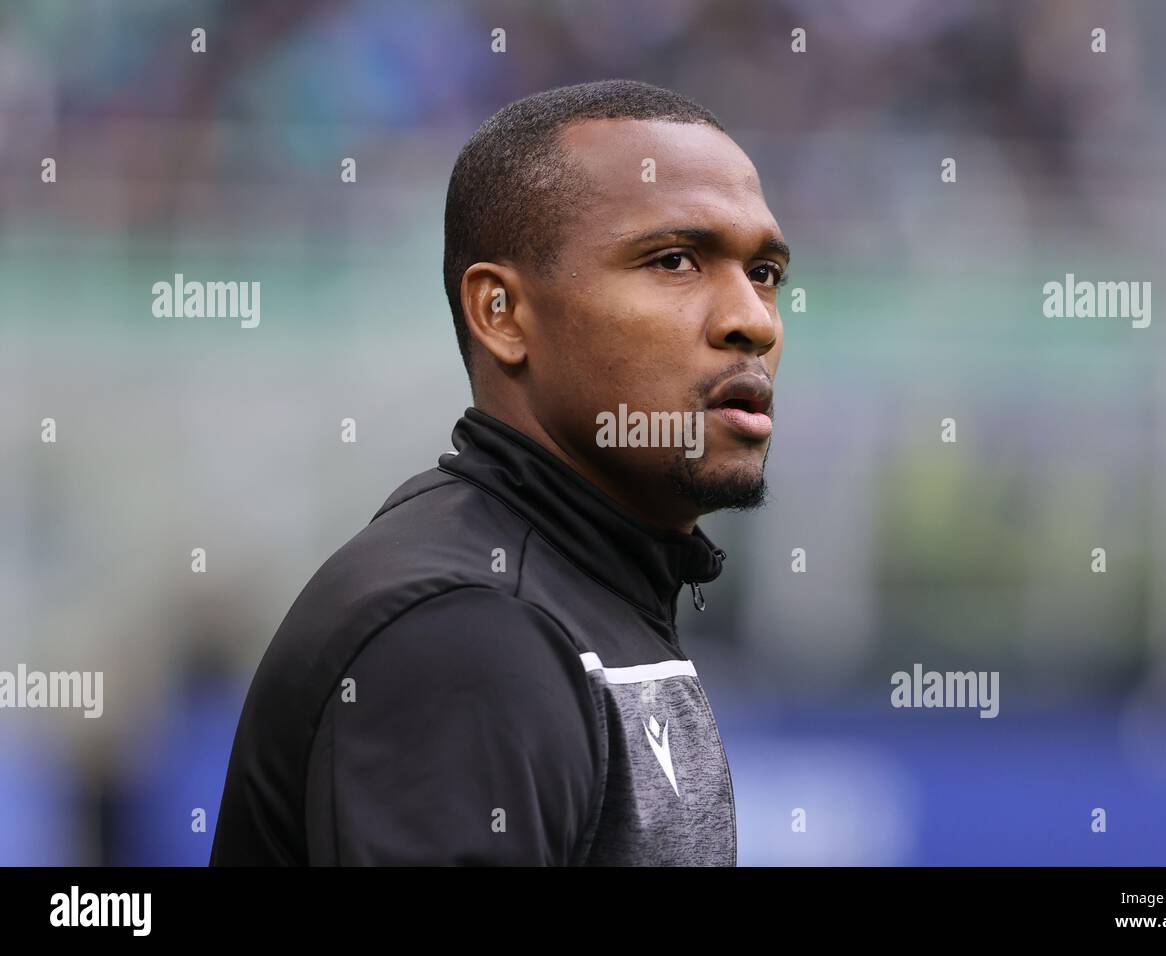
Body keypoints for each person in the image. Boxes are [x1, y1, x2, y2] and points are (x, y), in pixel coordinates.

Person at [210, 78, 790, 865]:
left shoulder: (585, 589)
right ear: (502, 314)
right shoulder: (465, 630)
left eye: (764, 273)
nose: (751, 320)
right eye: (676, 260)